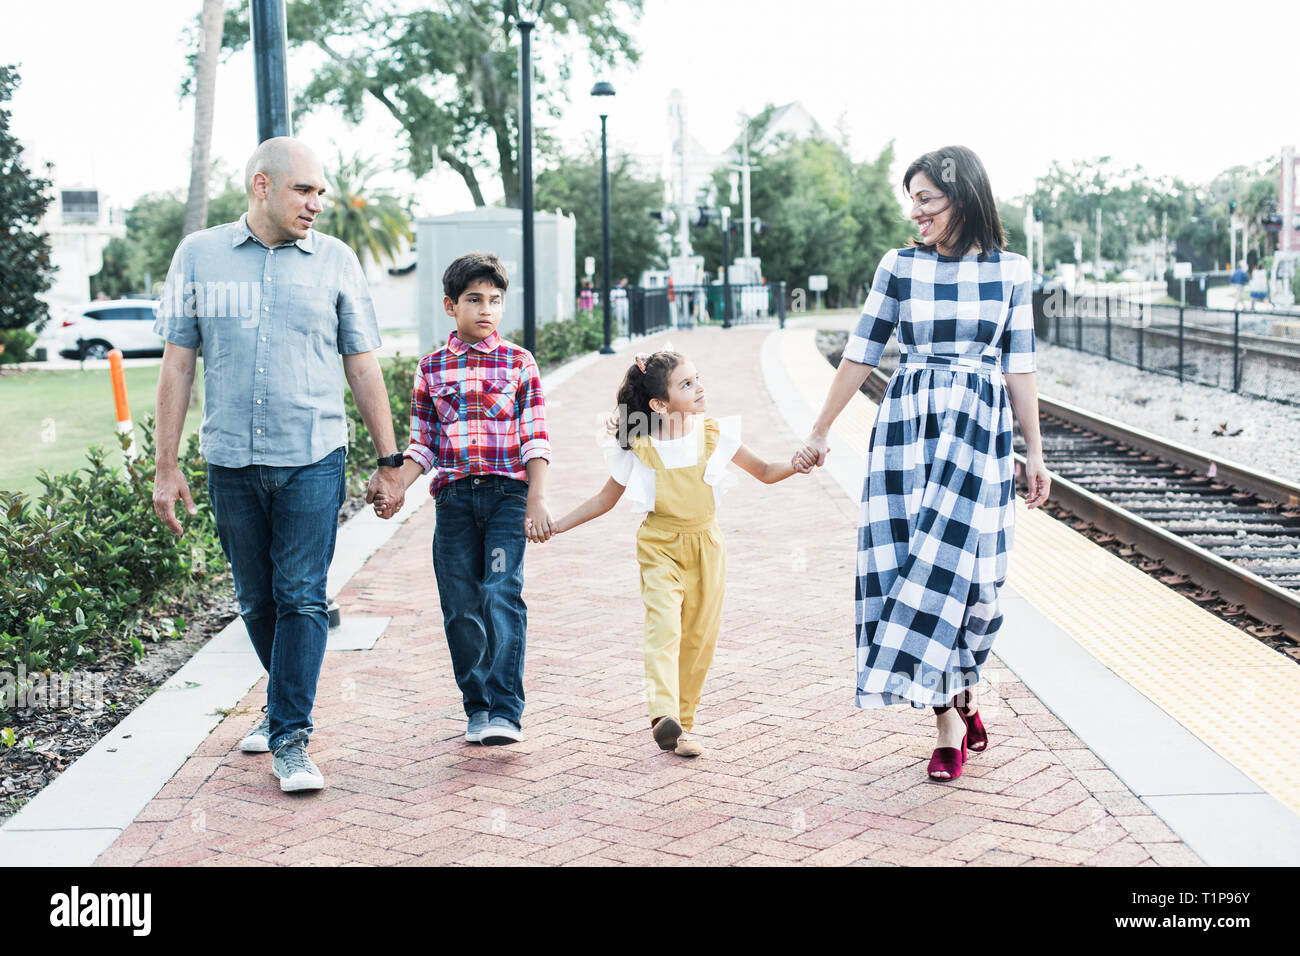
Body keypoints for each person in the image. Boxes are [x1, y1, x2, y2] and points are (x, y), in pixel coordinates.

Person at [152, 137, 407, 792]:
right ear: (262, 186)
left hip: (312, 455)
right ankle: (280, 704)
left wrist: (390, 462)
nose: (317, 203)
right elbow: (178, 362)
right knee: (256, 598)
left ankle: (291, 736)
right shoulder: (200, 256)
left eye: (321, 192)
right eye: (305, 190)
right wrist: (165, 465)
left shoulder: (337, 262)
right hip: (232, 458)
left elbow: (362, 363)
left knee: (301, 594)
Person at [796, 145, 1051, 782]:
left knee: (978, 585)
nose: (915, 212)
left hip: (980, 432)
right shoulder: (900, 266)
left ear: (961, 199)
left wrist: (1035, 451)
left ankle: (964, 685)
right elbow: (861, 351)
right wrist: (821, 428)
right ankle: (944, 719)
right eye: (910, 199)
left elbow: (1020, 364)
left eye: (926, 200)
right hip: (909, 429)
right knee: (914, 568)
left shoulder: (1012, 272)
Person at [547, 349, 804, 757]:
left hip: (707, 548)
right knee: (663, 628)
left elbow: (767, 472)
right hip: (659, 546)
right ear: (659, 404)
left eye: (698, 378)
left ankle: (682, 726)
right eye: (687, 384)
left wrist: (798, 462)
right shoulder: (639, 445)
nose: (699, 387)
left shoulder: (714, 434)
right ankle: (661, 713)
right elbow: (604, 499)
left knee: (700, 640)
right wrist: (557, 525)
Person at [373, 252, 551, 746]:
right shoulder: (430, 369)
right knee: (460, 606)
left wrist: (537, 496)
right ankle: (477, 707)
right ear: (451, 305)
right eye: (474, 300)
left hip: (506, 499)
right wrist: (395, 485)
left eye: (495, 300)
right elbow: (423, 444)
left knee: (500, 592)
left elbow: (535, 435)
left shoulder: (519, 362)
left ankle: (506, 710)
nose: (486, 309)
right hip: (453, 503)